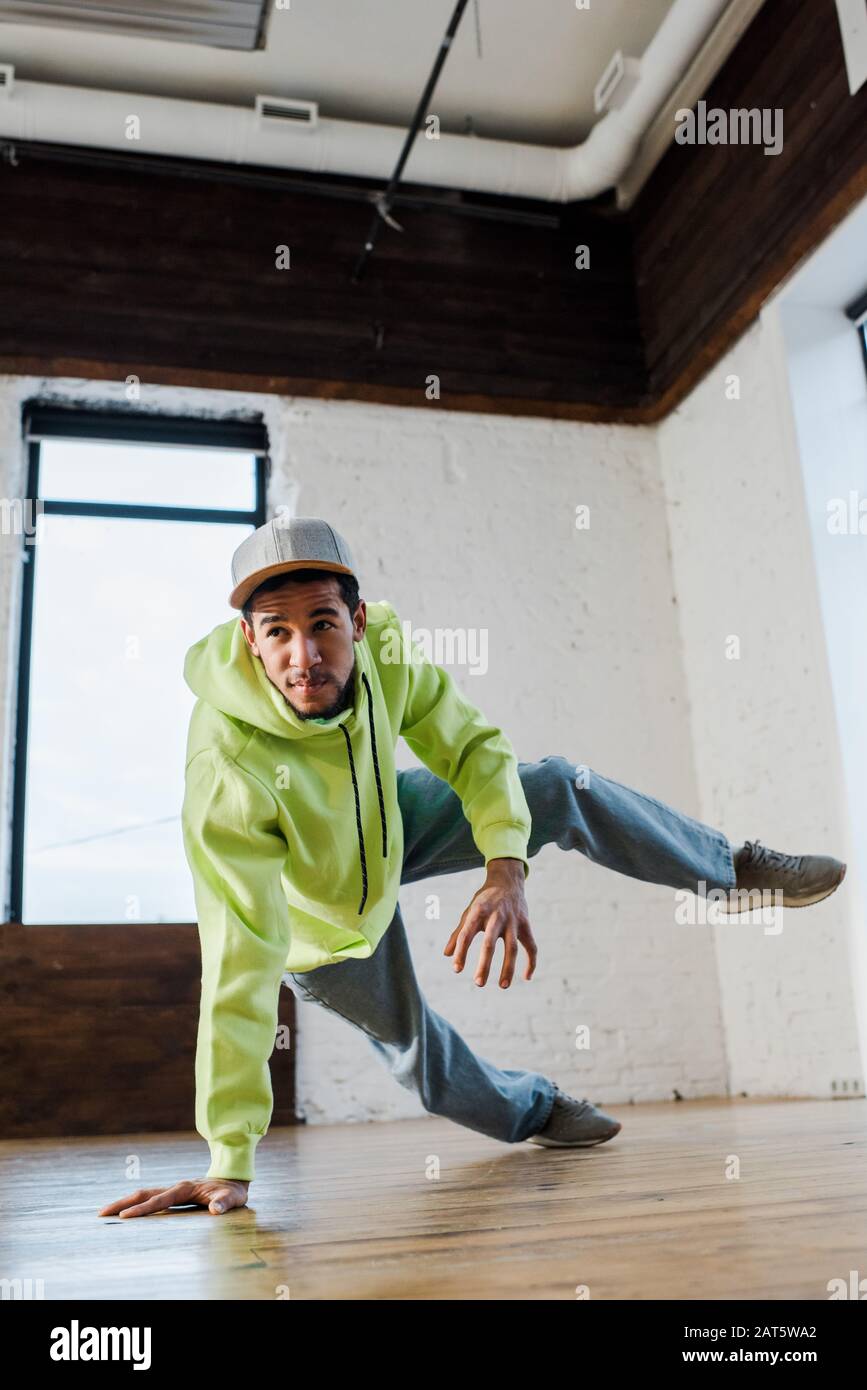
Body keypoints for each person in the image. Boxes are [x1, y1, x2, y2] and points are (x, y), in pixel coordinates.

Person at [99, 516, 846, 1221]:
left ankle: (732, 871)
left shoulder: (384, 654)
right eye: (279, 633)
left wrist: (504, 866)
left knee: (554, 785)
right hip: (315, 923)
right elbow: (239, 960)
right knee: (419, 1056)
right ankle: (535, 1109)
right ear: (249, 640)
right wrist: (229, 1158)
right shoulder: (227, 765)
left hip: (387, 824)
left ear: (356, 623)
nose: (305, 656)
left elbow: (472, 751)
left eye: (323, 623)